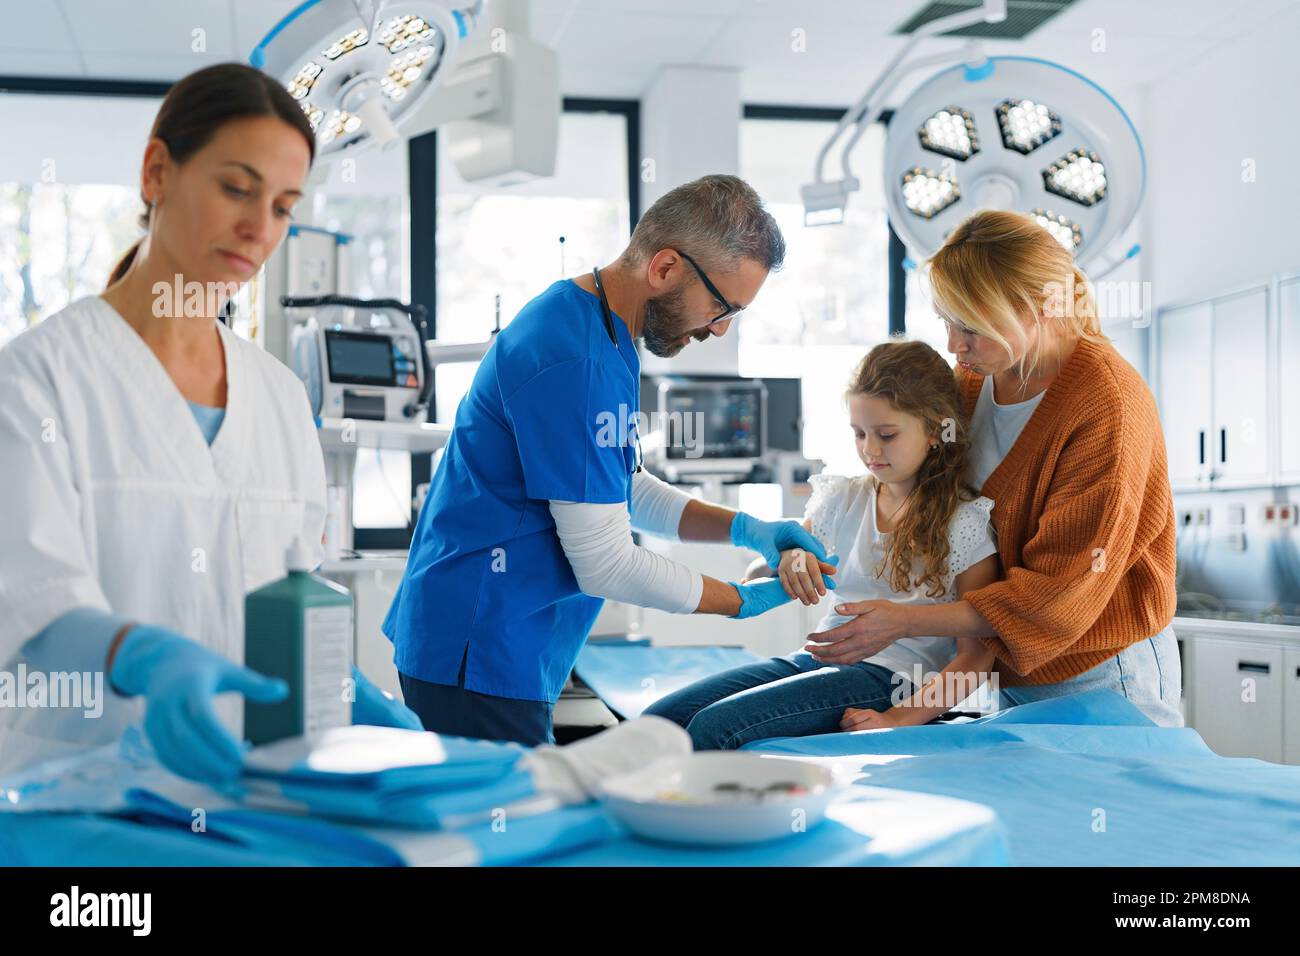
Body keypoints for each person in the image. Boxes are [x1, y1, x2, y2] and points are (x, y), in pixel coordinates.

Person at [0, 63, 418, 786]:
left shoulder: (281, 401)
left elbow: (286, 597)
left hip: (249, 794)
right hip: (80, 795)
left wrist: (346, 688)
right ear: (157, 172)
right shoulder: (36, 383)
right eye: (237, 188)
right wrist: (140, 655)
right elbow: (30, 604)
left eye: (285, 206)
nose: (260, 229)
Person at [384, 175, 834, 746]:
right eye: (723, 308)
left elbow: (623, 486)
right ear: (666, 267)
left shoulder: (600, 326)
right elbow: (606, 562)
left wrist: (746, 530)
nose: (719, 330)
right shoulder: (578, 360)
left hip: (502, 640)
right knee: (511, 826)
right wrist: (740, 602)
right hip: (480, 648)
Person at [806, 210, 1182, 727]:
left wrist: (905, 622)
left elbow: (1056, 597)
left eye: (970, 327)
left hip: (1102, 673)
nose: (953, 345)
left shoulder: (1107, 409)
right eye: (947, 321)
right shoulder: (973, 380)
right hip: (1003, 669)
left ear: (1037, 310)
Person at [645, 341, 1001, 749]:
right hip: (817, 659)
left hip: (894, 679)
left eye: (887, 434)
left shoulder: (963, 521)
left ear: (937, 431)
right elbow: (758, 572)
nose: (869, 449)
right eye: (859, 433)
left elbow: (976, 658)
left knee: (714, 728)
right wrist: (790, 559)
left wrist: (898, 719)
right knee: (659, 721)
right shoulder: (843, 500)